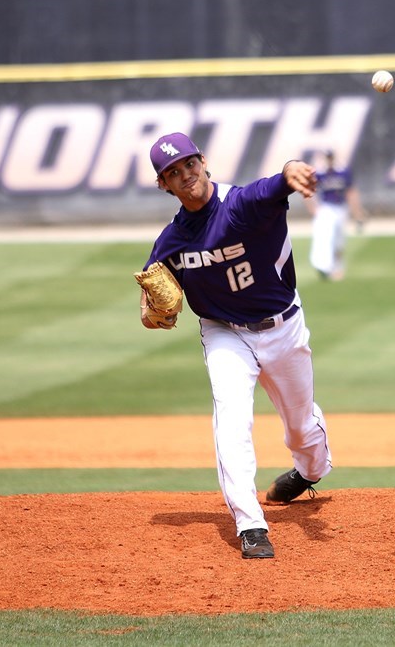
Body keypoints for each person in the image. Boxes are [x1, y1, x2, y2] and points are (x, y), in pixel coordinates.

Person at [140, 132, 333, 560]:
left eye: (189, 164)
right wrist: (151, 310)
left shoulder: (241, 204)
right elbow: (152, 295)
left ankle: (310, 471)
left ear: (203, 161)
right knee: (231, 422)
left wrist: (292, 173)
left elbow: (274, 184)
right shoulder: (171, 242)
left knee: (301, 427)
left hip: (283, 328)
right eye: (172, 172)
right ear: (164, 185)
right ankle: (250, 524)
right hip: (225, 333)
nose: (184, 175)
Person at [306, 150, 366, 281]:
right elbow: (308, 190)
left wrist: (358, 213)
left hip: (341, 208)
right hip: (327, 208)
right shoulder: (320, 174)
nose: (329, 161)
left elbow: (351, 192)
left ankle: (337, 267)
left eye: (331, 158)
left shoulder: (343, 172)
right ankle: (324, 266)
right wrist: (313, 209)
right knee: (326, 236)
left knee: (339, 240)